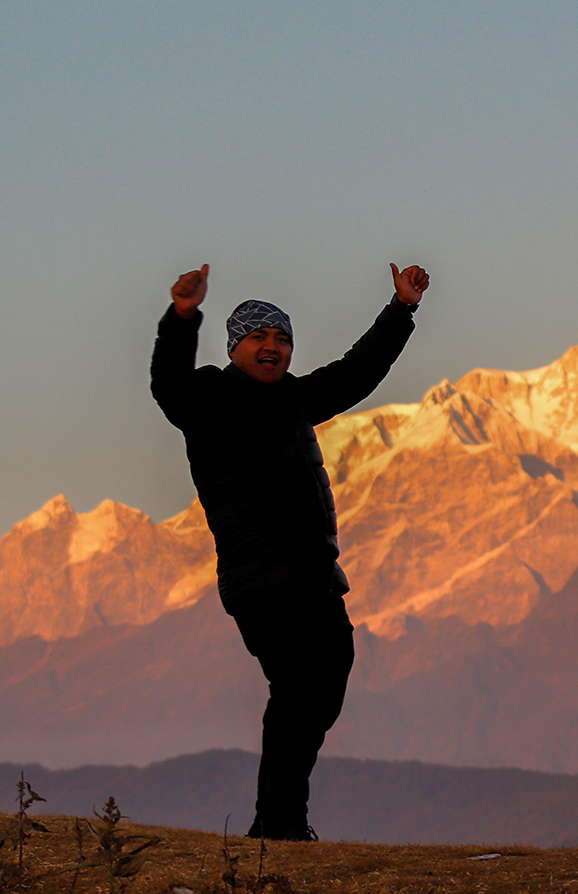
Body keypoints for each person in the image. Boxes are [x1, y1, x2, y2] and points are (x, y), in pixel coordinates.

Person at [150, 261, 429, 840]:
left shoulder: (297, 400)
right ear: (234, 348)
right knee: (300, 689)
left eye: (281, 338)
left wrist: (402, 309)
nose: (272, 347)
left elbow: (358, 371)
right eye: (258, 337)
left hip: (314, 575)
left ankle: (277, 821)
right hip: (261, 580)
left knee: (325, 680)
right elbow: (167, 383)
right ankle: (280, 823)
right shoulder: (207, 401)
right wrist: (182, 316)